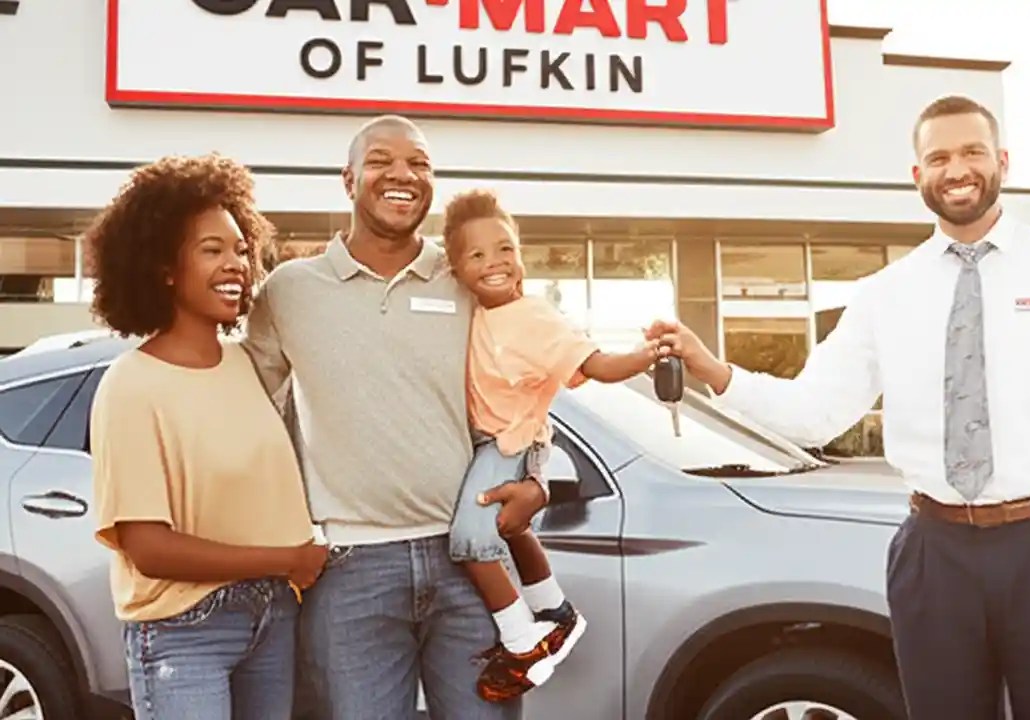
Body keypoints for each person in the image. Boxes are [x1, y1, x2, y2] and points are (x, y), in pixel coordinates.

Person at [647, 95, 1030, 720]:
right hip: (935, 554)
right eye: (939, 158)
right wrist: (715, 371)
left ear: (1002, 161)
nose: (957, 170)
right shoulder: (885, 294)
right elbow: (815, 412)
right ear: (917, 174)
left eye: (972, 152)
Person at [241, 116, 548, 719]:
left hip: (471, 559)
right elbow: (246, 408)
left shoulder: (466, 277)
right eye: (381, 161)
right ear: (348, 179)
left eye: (420, 164)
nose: (403, 174)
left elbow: (527, 385)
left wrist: (537, 477)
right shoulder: (289, 291)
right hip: (349, 570)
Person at [85, 154, 328, 719]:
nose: (235, 264)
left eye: (241, 250)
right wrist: (287, 558)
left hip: (273, 616)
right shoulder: (131, 385)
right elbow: (149, 548)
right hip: (184, 631)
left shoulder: (248, 365)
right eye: (212, 250)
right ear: (164, 267)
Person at [441, 189, 659, 701]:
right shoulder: (471, 310)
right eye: (477, 255)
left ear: (521, 256)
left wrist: (646, 354)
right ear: (456, 269)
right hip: (498, 440)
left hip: (510, 442)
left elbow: (596, 365)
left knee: (471, 541)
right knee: (513, 530)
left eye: (505, 250)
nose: (494, 263)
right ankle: (556, 613)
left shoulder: (533, 317)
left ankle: (523, 643)